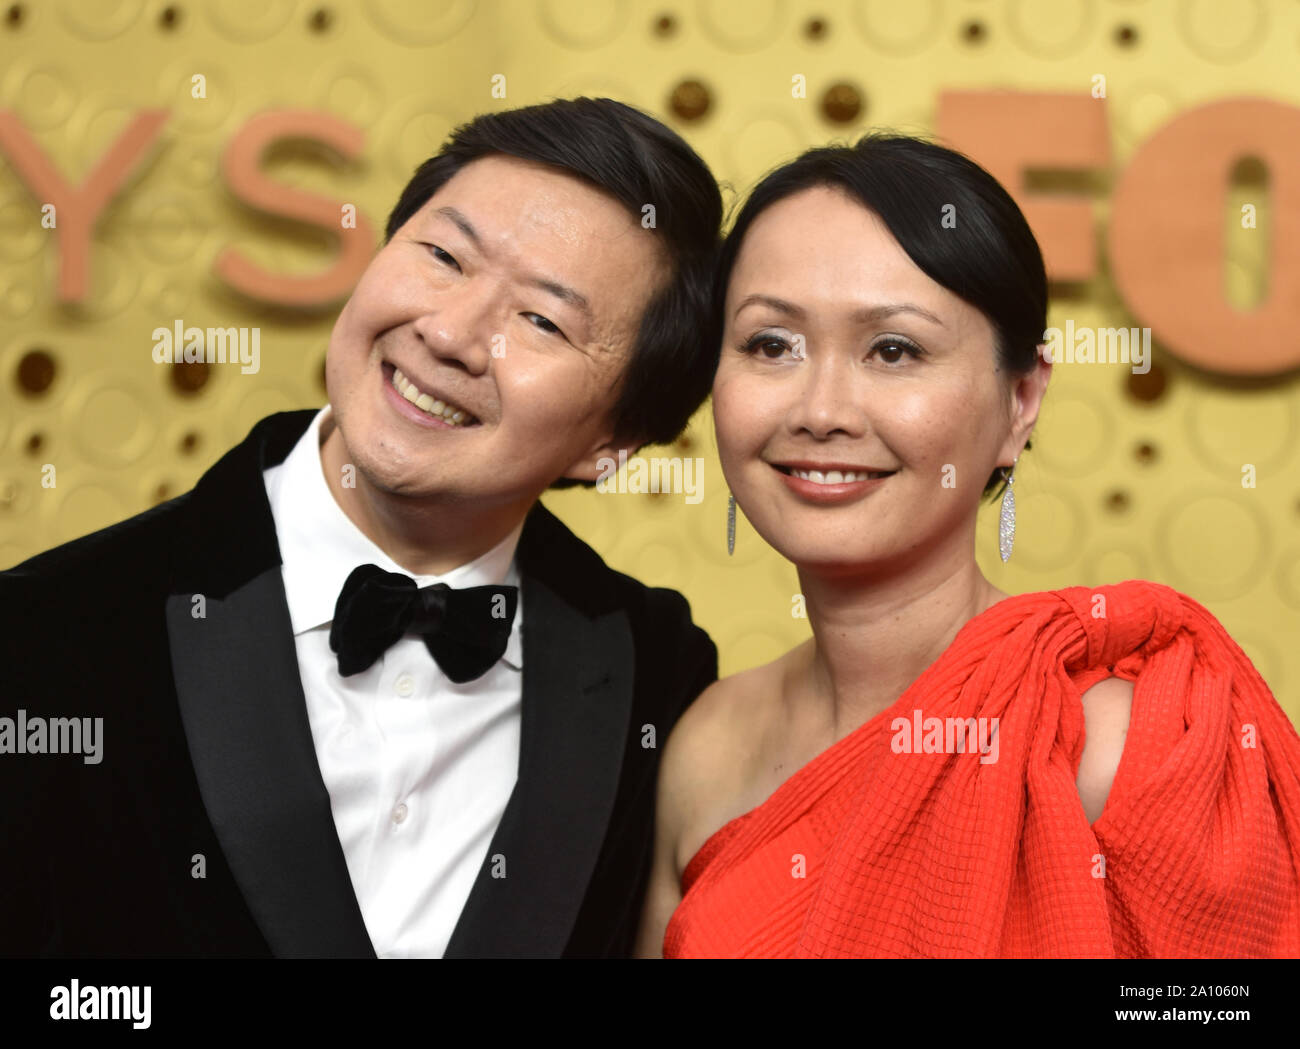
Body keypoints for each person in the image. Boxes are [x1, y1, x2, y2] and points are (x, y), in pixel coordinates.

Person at [0, 97, 722, 958]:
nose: (450, 333)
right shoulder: (48, 635)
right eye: (444, 255)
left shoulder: (659, 675)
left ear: (613, 444)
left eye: (541, 320)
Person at [636, 133, 1300, 958]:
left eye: (895, 350)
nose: (821, 408)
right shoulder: (705, 742)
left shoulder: (1118, 747)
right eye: (772, 345)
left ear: (1021, 402)